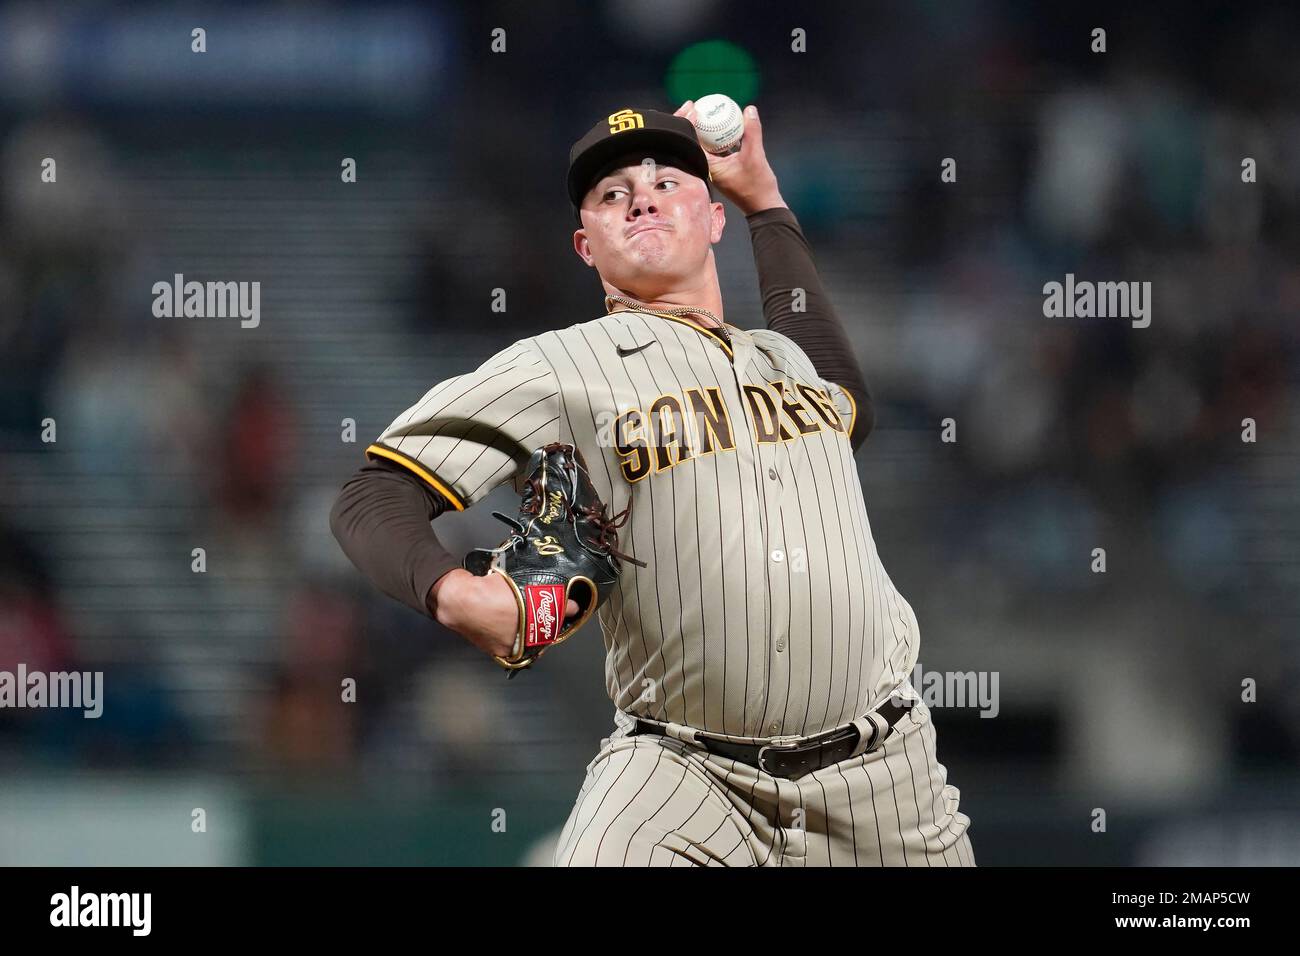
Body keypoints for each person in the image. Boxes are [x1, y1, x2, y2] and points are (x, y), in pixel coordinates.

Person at [330, 103, 974, 866]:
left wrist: (764, 199)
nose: (639, 196)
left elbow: (851, 409)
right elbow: (372, 494)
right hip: (686, 774)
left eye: (666, 180)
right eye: (610, 195)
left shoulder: (781, 359)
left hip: (886, 775)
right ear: (585, 247)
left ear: (711, 218)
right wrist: (455, 592)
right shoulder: (559, 366)